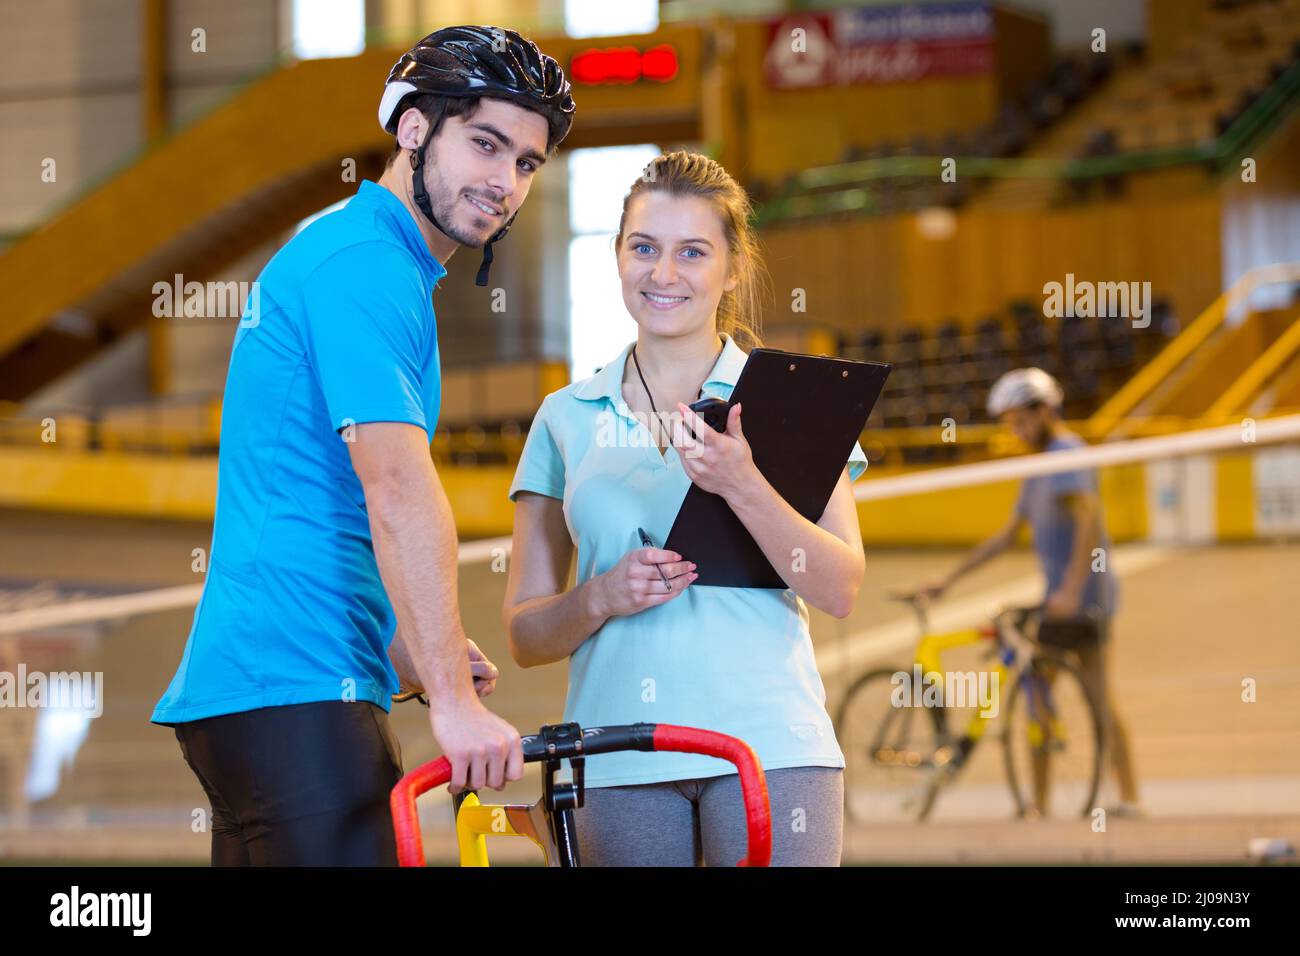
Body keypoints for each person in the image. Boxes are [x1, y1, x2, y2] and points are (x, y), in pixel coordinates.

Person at [151, 26, 575, 866]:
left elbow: (315, 499)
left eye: (526, 163)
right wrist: (452, 704)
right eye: (485, 143)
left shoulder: (366, 261)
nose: (504, 181)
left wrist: (413, 650)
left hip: (270, 692)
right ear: (414, 129)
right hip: (295, 687)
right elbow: (396, 488)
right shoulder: (365, 264)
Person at [503, 151, 868, 866]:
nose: (663, 274)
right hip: (617, 749)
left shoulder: (794, 403)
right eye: (644, 248)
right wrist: (602, 596)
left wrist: (743, 483)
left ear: (732, 268)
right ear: (617, 257)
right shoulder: (565, 416)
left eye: (692, 252)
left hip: (770, 746)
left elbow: (839, 588)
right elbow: (525, 635)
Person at [909, 367, 1141, 818]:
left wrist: (1073, 590)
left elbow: (1089, 520)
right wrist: (950, 578)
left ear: (1045, 410)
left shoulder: (1066, 453)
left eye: (1021, 420)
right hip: (1060, 602)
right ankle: (1040, 804)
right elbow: (1007, 535)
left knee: (1090, 701)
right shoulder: (1038, 465)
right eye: (1010, 422)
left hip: (1083, 602)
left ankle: (1121, 799)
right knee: (1043, 699)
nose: (1016, 430)